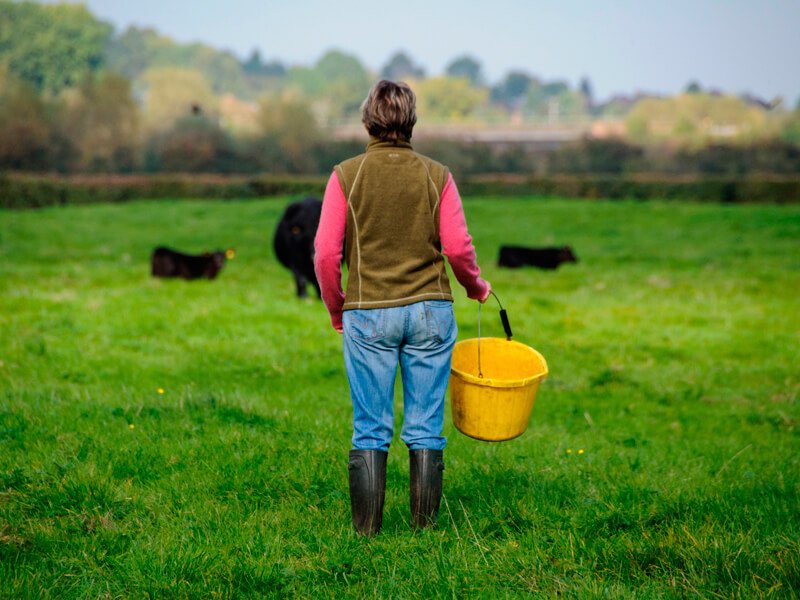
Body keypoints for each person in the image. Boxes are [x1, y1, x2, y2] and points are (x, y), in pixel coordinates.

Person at [313, 80, 491, 536]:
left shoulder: (345, 176)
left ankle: (367, 535)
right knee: (426, 426)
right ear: (411, 121)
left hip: (367, 310)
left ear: (367, 121)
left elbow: (325, 254)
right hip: (431, 311)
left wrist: (337, 309)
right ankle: (423, 533)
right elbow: (458, 248)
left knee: (370, 427)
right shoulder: (438, 175)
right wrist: (476, 287)